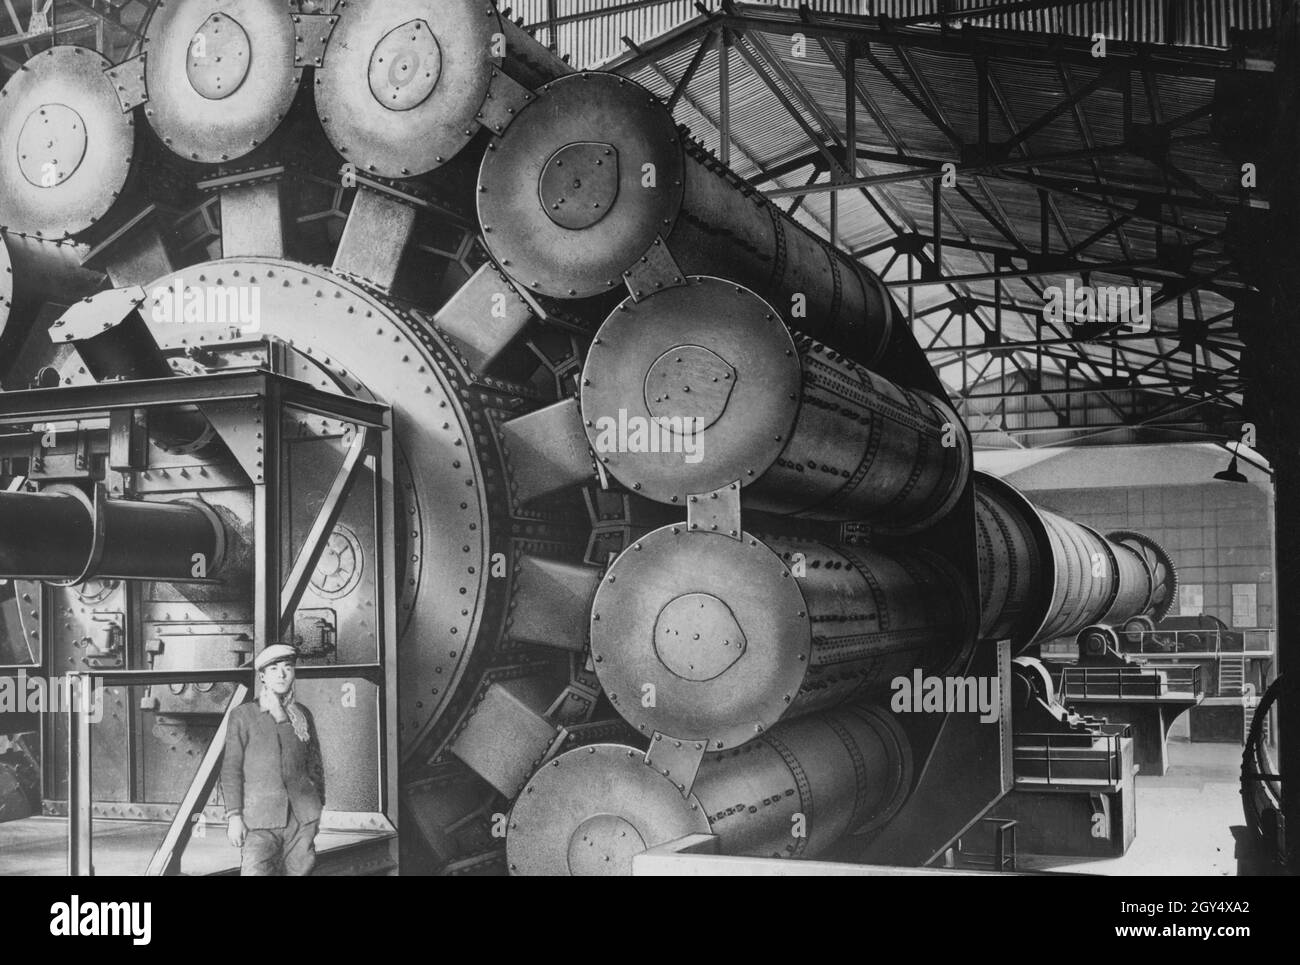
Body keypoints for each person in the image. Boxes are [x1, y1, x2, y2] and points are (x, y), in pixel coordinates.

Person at [221, 644, 326, 876]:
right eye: (274, 669)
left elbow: (312, 761)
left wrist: (317, 805)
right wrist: (234, 816)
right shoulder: (243, 715)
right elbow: (231, 770)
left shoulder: (301, 714)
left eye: (288, 668)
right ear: (262, 676)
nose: (281, 674)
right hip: (259, 820)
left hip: (301, 819)